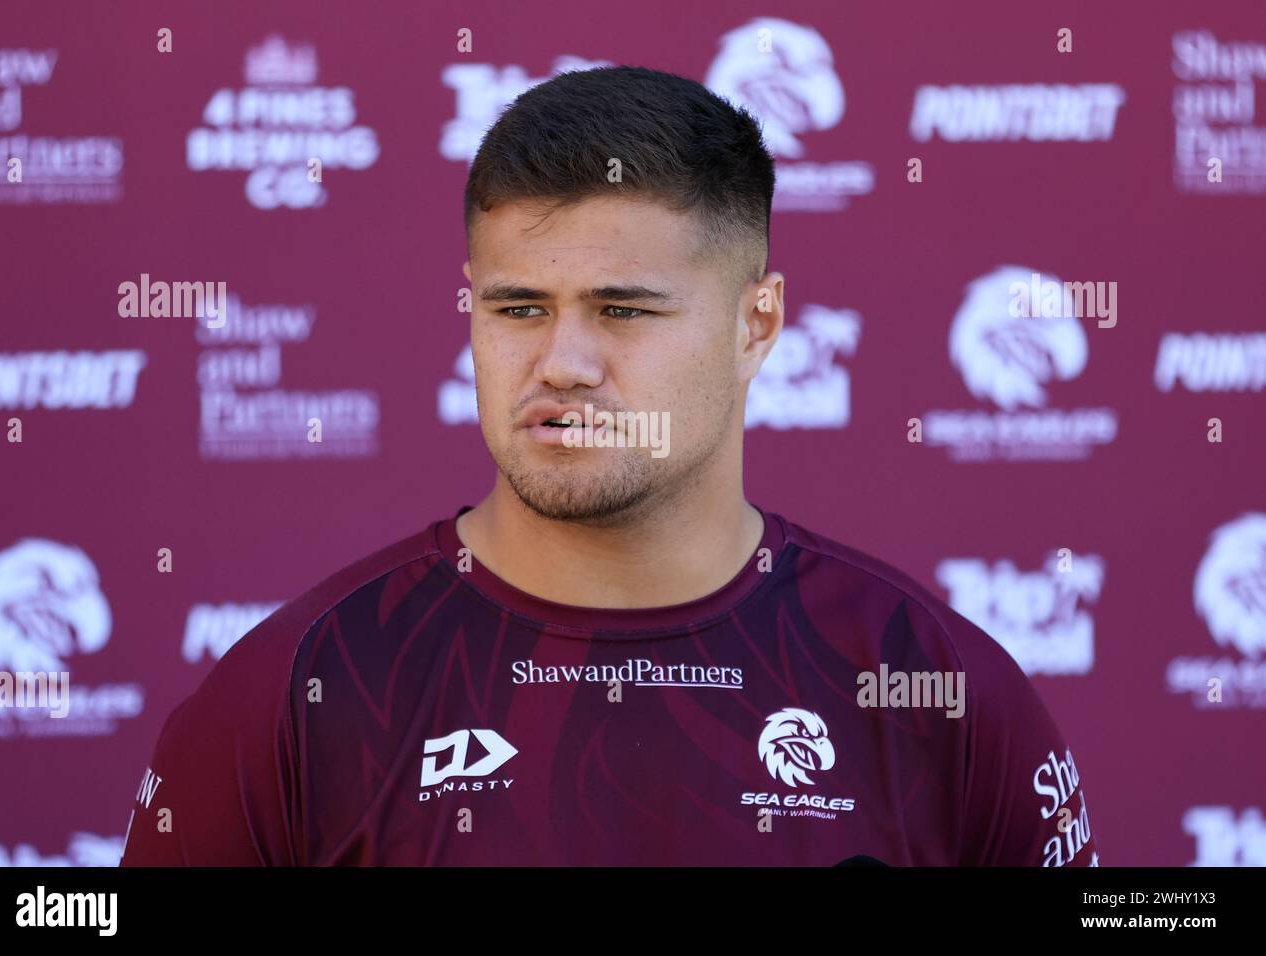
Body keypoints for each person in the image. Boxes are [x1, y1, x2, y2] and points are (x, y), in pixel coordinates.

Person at [120, 65, 1097, 866]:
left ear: (755, 326)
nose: (561, 363)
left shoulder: (936, 689)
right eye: (518, 308)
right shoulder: (295, 693)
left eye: (622, 309)